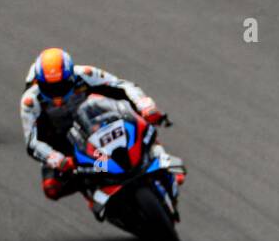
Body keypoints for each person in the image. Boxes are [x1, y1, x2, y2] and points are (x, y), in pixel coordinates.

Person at [20, 47, 179, 201]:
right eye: (49, 88)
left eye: (61, 86)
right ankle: (91, 193)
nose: (57, 96)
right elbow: (32, 141)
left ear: (70, 76)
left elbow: (121, 85)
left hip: (95, 121)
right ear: (38, 82)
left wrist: (145, 105)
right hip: (61, 141)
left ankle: (160, 157)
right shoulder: (30, 101)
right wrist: (55, 158)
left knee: (143, 120)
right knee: (51, 189)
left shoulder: (85, 74)